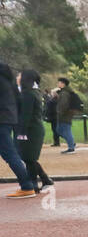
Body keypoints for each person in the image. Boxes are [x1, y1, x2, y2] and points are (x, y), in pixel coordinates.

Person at [0, 62, 37, 198]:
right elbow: (18, 101)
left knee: (9, 154)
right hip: (9, 118)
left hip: (2, 120)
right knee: (10, 153)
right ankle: (28, 184)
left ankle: (27, 186)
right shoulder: (9, 81)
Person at [17, 70, 52, 191]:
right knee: (29, 158)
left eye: (20, 76)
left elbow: (26, 115)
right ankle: (45, 179)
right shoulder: (35, 92)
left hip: (30, 130)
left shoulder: (28, 93)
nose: (18, 77)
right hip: (34, 129)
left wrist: (22, 132)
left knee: (29, 158)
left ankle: (33, 184)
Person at [54, 78, 81, 152]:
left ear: (63, 84)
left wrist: (60, 112)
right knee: (59, 130)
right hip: (65, 114)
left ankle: (71, 147)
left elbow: (63, 104)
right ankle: (71, 143)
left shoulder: (64, 93)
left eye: (59, 82)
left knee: (66, 130)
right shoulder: (64, 92)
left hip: (65, 114)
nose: (58, 84)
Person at [45, 80, 62, 146]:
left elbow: (50, 109)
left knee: (55, 130)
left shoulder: (53, 100)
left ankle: (57, 142)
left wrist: (47, 115)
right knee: (56, 129)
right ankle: (56, 142)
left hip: (54, 116)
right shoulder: (58, 99)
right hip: (56, 116)